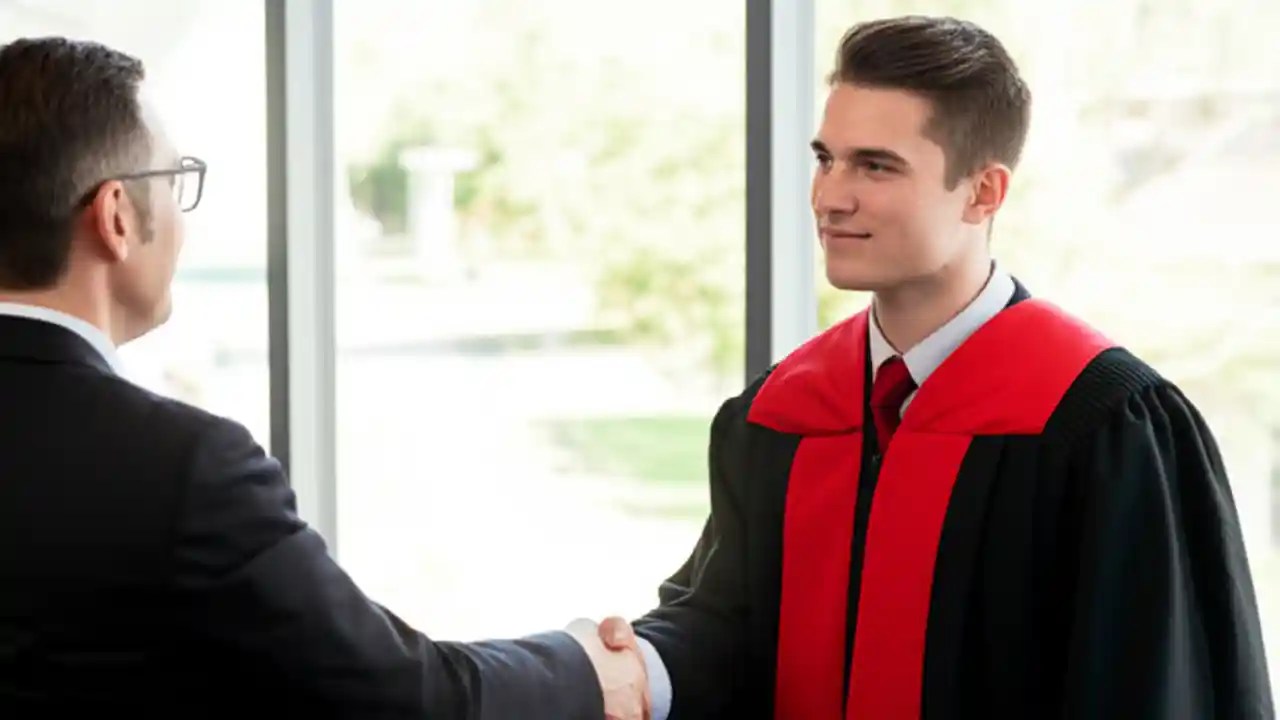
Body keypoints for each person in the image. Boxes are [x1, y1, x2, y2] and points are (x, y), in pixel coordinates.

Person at [596, 15, 1275, 719]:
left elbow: (1153, 691)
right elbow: (726, 630)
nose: (830, 196)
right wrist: (638, 665)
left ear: (984, 193)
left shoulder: (1103, 427)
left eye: (875, 165)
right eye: (825, 158)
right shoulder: (781, 416)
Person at [0, 36, 650, 718]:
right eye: (171, 182)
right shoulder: (183, 469)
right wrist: (583, 673)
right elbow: (399, 696)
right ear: (115, 218)